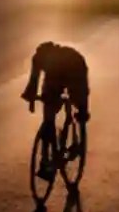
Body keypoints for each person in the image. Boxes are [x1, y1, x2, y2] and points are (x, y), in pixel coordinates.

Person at [21, 42, 91, 181]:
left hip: (76, 71)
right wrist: (32, 99)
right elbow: (33, 81)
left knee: (79, 103)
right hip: (54, 78)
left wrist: (81, 106)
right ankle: (45, 160)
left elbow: (81, 87)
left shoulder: (72, 58)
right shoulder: (37, 59)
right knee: (48, 117)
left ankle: (77, 136)